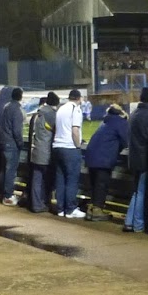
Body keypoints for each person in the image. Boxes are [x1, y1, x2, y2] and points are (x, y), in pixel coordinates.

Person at [83, 102, 130, 221]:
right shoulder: (120, 122)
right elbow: (127, 141)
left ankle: (92, 209)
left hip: (91, 156)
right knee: (101, 184)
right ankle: (97, 211)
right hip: (103, 158)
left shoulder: (104, 122)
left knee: (95, 184)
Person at [123, 87, 148, 233]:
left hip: (133, 158)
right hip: (145, 158)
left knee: (136, 191)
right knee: (142, 191)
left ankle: (129, 221)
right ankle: (137, 224)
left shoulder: (134, 114)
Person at [52, 88, 87, 218]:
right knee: (72, 179)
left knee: (60, 178)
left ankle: (60, 209)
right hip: (69, 147)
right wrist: (78, 146)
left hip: (57, 146)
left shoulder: (61, 109)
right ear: (79, 98)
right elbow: (75, 130)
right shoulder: (75, 109)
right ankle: (71, 209)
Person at [27, 92, 58, 213]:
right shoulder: (51, 114)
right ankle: (42, 203)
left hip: (34, 150)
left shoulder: (37, 114)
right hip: (45, 151)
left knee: (36, 178)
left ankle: (35, 204)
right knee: (46, 179)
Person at [0, 87, 25, 205]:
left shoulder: (6, 107)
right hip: (12, 144)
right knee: (10, 171)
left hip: (3, 142)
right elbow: (17, 131)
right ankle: (8, 196)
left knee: (4, 170)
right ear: (20, 96)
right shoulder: (17, 110)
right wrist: (20, 143)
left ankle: (3, 193)